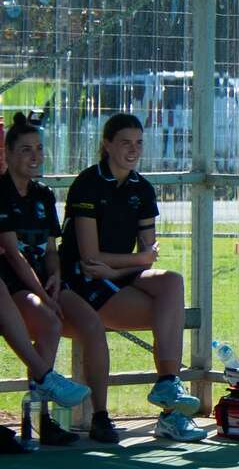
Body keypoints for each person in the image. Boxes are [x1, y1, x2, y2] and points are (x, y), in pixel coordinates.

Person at [59, 113, 205, 443]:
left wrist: (122, 268)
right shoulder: (87, 184)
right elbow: (90, 258)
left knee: (172, 282)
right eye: (125, 142)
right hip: (82, 282)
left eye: (139, 143)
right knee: (167, 311)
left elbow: (147, 256)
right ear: (107, 145)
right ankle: (162, 411)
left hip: (116, 275)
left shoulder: (142, 187)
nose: (133, 149)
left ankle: (168, 390)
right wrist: (133, 263)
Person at [0, 116, 92, 453]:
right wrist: (42, 293)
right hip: (11, 282)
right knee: (47, 314)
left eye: (38, 148)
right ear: (7, 154)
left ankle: (39, 417)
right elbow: (12, 254)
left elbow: (51, 249)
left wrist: (54, 277)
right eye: (25, 150)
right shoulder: (1, 192)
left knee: (51, 324)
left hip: (33, 285)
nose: (35, 156)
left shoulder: (43, 195)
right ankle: (47, 380)